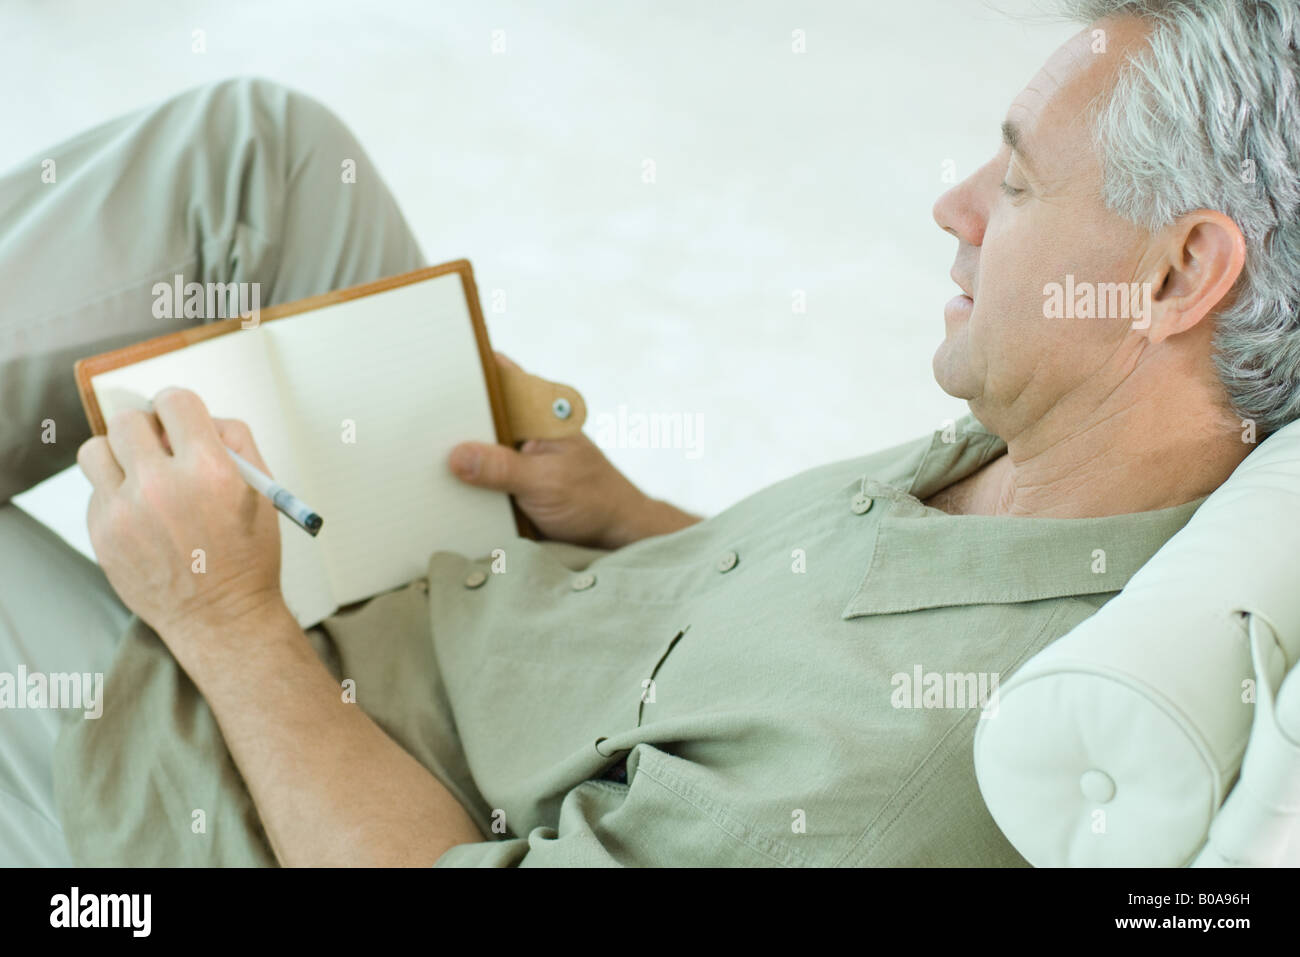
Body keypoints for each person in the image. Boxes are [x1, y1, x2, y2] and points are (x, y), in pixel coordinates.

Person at [3, 0, 1297, 867]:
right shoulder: (1067, 454)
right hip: (485, 607)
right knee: (264, 155)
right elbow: (816, 630)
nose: (952, 203)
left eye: (1014, 183)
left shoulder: (894, 773)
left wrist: (225, 619)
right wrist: (638, 526)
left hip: (244, 768)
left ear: (1183, 276)